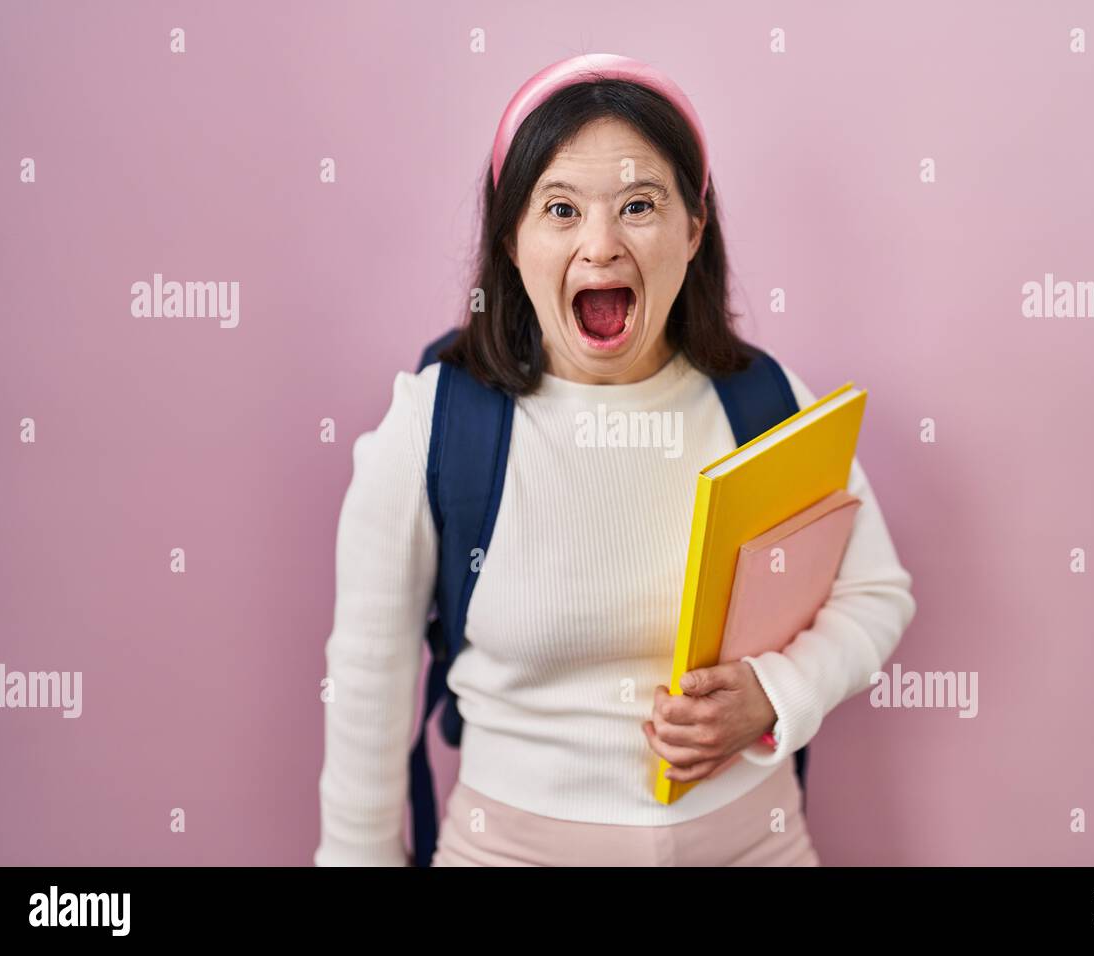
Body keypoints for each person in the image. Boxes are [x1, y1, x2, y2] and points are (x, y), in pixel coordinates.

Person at [313, 53, 917, 867]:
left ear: (694, 228)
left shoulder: (769, 406)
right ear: (511, 239)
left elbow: (877, 592)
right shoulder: (431, 429)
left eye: (639, 205)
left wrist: (779, 693)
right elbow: (367, 697)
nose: (601, 246)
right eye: (560, 209)